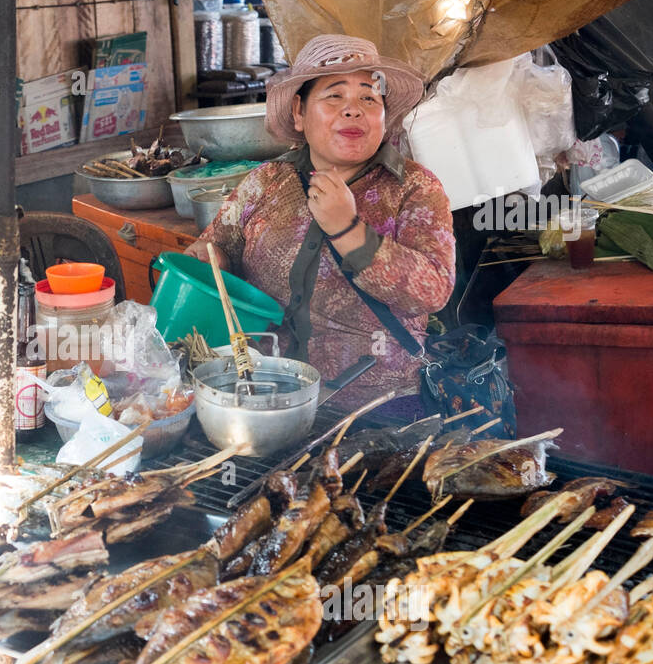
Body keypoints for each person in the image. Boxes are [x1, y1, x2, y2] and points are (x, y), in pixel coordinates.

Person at [185, 34, 455, 408]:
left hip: (375, 408)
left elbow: (434, 291)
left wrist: (349, 230)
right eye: (334, 96)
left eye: (368, 97)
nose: (353, 109)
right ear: (299, 111)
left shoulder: (413, 187)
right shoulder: (265, 183)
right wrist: (207, 257)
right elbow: (216, 253)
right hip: (263, 396)